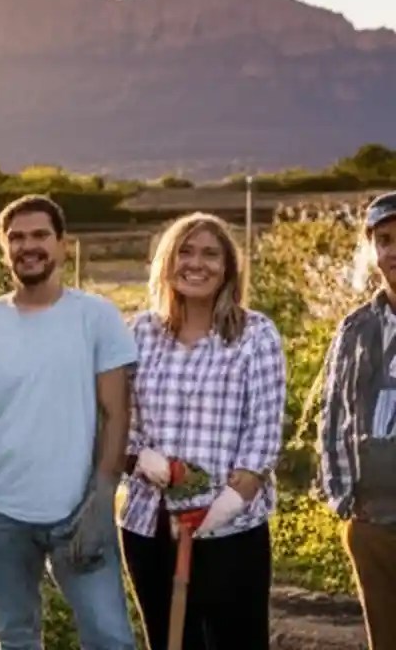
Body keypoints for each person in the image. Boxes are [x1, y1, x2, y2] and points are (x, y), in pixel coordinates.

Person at [0, 194, 139, 650]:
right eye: (17, 238)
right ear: (3, 247)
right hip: (2, 516)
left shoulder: (96, 317)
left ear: (63, 244)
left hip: (78, 510)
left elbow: (116, 412)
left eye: (39, 236)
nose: (28, 246)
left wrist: (102, 498)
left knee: (109, 637)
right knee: (15, 635)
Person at [119, 212, 286, 649]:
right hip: (150, 526)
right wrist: (137, 458)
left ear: (228, 267)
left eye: (211, 253)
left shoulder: (255, 335)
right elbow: (117, 421)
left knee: (237, 642)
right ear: (167, 263)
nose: (197, 263)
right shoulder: (140, 334)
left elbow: (263, 430)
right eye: (185, 251)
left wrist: (232, 499)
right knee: (172, 640)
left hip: (230, 528)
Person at [317, 191, 396, 650]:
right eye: (384, 240)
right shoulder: (356, 328)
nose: (394, 251)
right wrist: (344, 499)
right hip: (372, 524)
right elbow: (335, 415)